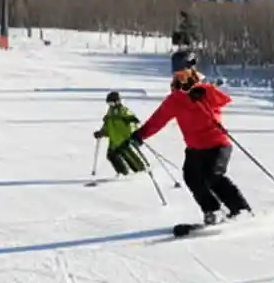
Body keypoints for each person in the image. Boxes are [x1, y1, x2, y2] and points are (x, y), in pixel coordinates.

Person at [126, 50, 251, 226]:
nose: (181, 78)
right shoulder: (175, 100)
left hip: (217, 145)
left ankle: (240, 209)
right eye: (177, 75)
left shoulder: (205, 90)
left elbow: (223, 99)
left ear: (192, 71)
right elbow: (158, 119)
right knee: (191, 177)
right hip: (195, 148)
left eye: (183, 74)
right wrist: (140, 134)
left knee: (212, 175)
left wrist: (202, 94)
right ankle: (212, 210)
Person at [94, 91, 147, 176]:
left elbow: (133, 123)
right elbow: (107, 126)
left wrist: (133, 133)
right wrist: (101, 133)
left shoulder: (123, 111)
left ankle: (141, 170)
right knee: (111, 155)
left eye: (111, 103)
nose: (110, 105)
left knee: (129, 156)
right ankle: (123, 173)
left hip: (124, 138)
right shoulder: (110, 112)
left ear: (117, 101)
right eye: (109, 103)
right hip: (114, 140)